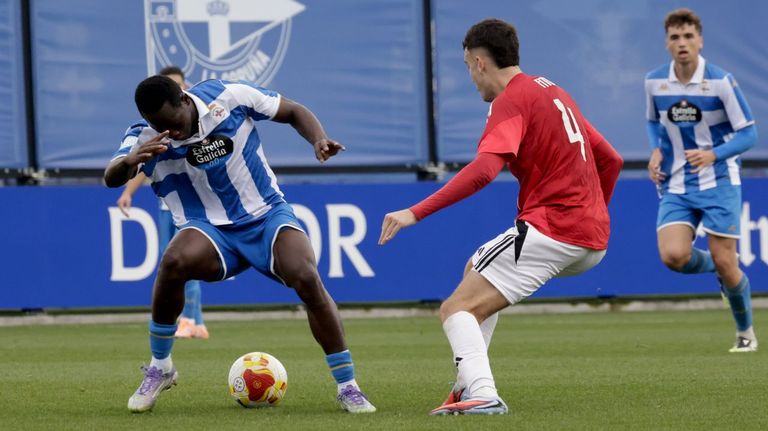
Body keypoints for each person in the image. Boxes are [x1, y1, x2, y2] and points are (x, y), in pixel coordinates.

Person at [379, 18, 623, 415]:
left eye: (467, 68)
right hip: (591, 237)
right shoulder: (555, 92)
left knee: (454, 309)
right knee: (476, 266)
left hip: (553, 228)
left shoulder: (509, 101)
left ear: (479, 63)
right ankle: (465, 387)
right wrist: (593, 214)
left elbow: (484, 171)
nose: (472, 79)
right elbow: (610, 160)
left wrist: (415, 212)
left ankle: (482, 392)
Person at [104, 76, 376, 414]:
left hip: (265, 216)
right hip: (207, 229)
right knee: (173, 261)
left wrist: (318, 139)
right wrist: (130, 162)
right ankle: (161, 367)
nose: (169, 133)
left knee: (305, 276)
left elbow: (292, 110)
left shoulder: (228, 96)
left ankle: (348, 386)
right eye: (158, 126)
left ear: (185, 102)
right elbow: (111, 175)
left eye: (172, 124)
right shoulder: (144, 136)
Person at [645, 8, 758, 352]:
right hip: (677, 183)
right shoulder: (654, 82)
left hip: (720, 180)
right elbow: (653, 122)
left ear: (700, 40)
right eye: (676, 37)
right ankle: (721, 270)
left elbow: (748, 134)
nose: (682, 43)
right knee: (673, 256)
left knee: (728, 261)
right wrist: (655, 151)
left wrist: (714, 154)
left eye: (688, 36)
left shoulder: (720, 81)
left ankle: (745, 334)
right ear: (667, 43)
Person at [117, 66, 208, 339]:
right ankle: (197, 323)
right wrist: (128, 193)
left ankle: (190, 320)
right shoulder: (160, 130)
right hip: (167, 206)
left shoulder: (200, 123)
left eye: (178, 86)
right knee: (173, 261)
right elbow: (145, 165)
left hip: (194, 208)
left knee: (184, 262)